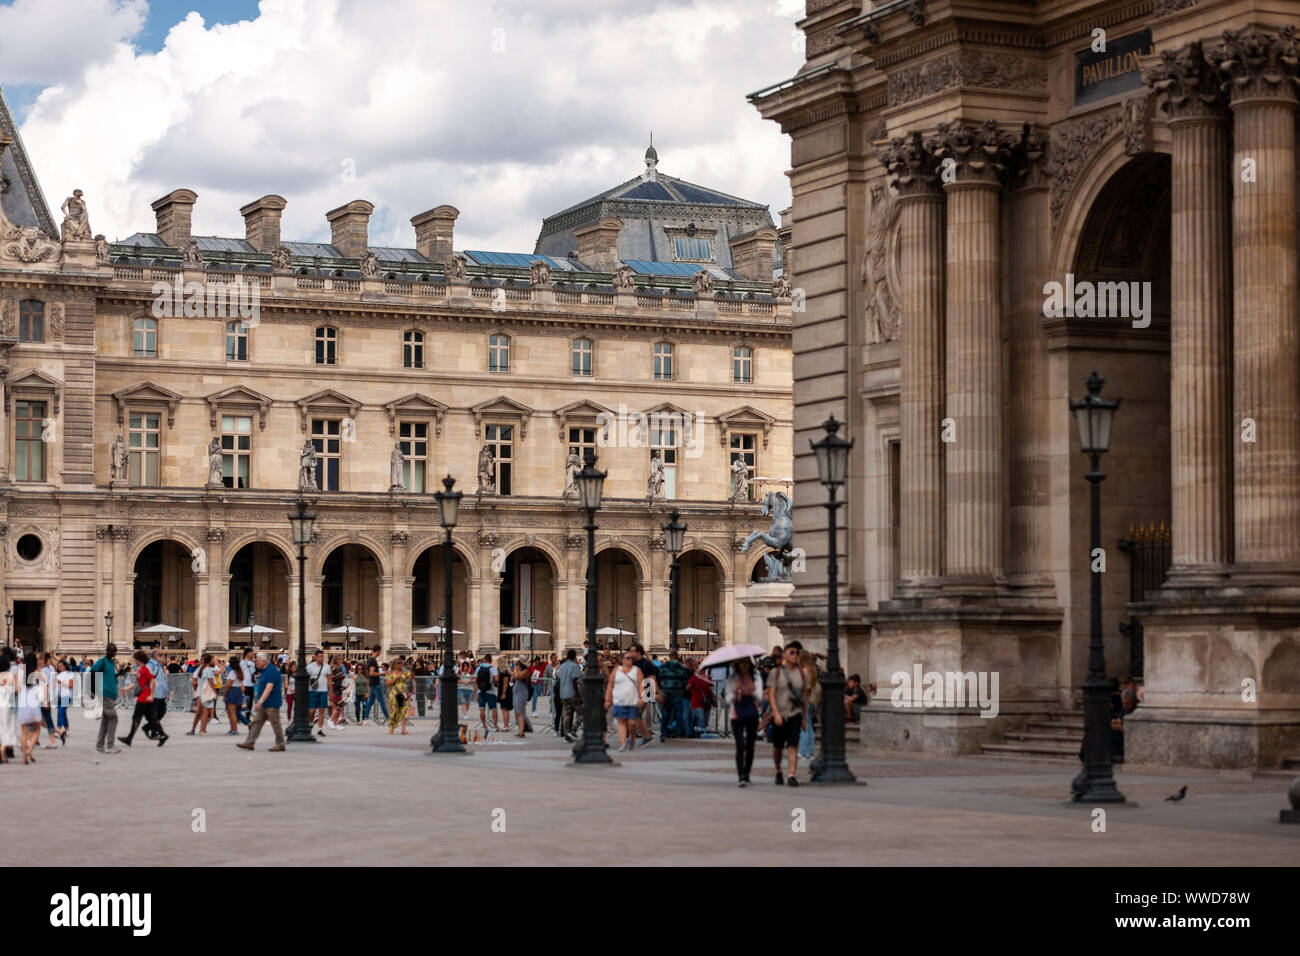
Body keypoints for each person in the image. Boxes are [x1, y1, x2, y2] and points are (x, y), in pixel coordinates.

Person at [765, 641, 806, 786]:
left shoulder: (802, 674)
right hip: (779, 714)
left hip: (795, 713)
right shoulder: (775, 673)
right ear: (784, 655)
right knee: (778, 746)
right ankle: (778, 770)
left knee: (793, 745)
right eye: (792, 652)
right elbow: (771, 694)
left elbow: (803, 697)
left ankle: (791, 774)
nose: (795, 655)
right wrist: (775, 714)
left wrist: (804, 718)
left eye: (797, 653)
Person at [725, 658, 764, 786]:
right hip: (736, 714)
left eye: (747, 662)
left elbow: (759, 698)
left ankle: (747, 773)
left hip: (751, 713)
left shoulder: (756, 678)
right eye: (742, 662)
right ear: (738, 664)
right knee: (740, 744)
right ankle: (740, 775)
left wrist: (753, 690)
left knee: (751, 745)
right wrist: (735, 692)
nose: (744, 665)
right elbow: (727, 699)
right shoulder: (732, 678)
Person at [236, 652, 286, 752]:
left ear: (263, 661)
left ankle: (280, 743)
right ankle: (250, 742)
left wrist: (260, 701)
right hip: (264, 702)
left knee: (275, 723)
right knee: (256, 722)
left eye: (257, 660)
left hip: (271, 702)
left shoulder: (271, 670)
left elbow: (269, 687)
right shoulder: (264, 670)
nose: (256, 662)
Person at [120, 650, 168, 747]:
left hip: (144, 698)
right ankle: (163, 735)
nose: (134, 661)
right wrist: (127, 688)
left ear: (138, 660)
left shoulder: (144, 669)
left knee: (136, 718)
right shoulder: (141, 669)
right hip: (145, 697)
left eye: (135, 659)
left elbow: (153, 681)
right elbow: (139, 683)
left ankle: (129, 739)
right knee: (151, 719)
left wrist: (151, 694)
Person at [606, 651, 645, 752]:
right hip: (619, 700)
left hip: (633, 701)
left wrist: (641, 697)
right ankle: (623, 743)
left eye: (631, 658)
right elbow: (610, 685)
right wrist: (608, 699)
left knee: (632, 723)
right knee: (621, 722)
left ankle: (631, 737)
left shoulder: (637, 670)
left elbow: (641, 684)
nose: (630, 660)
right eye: (627, 658)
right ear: (622, 660)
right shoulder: (616, 671)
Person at [88, 644, 121, 754]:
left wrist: (119, 674)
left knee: (106, 721)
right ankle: (109, 745)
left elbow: (109, 677)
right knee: (114, 718)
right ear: (107, 651)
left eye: (114, 651)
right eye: (111, 650)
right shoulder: (102, 662)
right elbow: (91, 673)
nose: (113, 652)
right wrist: (91, 690)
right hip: (104, 693)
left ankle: (99, 746)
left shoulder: (111, 663)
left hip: (110, 694)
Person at [627, 644, 658, 746]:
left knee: (634, 715)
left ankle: (644, 737)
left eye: (632, 651)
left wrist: (648, 696)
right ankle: (643, 737)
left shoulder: (645, 664)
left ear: (639, 652)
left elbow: (651, 678)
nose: (630, 653)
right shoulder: (632, 663)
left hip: (643, 693)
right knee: (635, 716)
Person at [655, 649, 690, 741]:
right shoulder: (681, 667)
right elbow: (685, 680)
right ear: (677, 656)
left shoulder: (663, 666)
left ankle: (664, 733)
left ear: (670, 656)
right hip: (677, 692)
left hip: (666, 692)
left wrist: (661, 689)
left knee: (665, 714)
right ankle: (678, 733)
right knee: (678, 714)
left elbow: (658, 678)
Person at [17, 657, 46, 764]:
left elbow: (17, 688)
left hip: (23, 704)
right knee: (36, 730)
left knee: (24, 733)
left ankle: (24, 756)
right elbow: (43, 688)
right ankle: (30, 750)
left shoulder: (21, 673)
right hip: (34, 704)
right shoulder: (38, 673)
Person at [555, 648, 582, 742]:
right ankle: (573, 730)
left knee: (566, 713)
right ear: (574, 657)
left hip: (563, 693)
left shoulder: (562, 666)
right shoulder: (574, 666)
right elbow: (575, 680)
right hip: (572, 693)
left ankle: (566, 733)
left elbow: (558, 677)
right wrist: (577, 693)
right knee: (581, 712)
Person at [188, 654, 218, 735]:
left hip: (200, 692)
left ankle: (193, 729)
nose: (215, 661)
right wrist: (215, 693)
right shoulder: (208, 670)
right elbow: (211, 682)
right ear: (210, 661)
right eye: (214, 660)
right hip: (205, 693)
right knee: (205, 712)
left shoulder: (200, 669)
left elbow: (195, 682)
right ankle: (203, 730)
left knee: (199, 713)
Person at [0, 652, 20, 763]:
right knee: (8, 728)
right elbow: (17, 689)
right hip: (7, 704)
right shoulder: (11, 675)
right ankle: (4, 749)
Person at [307, 650, 330, 737]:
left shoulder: (326, 667)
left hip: (323, 691)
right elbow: (306, 678)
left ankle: (320, 729)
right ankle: (310, 723)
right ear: (315, 657)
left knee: (321, 710)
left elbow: (329, 679)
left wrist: (330, 691)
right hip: (313, 690)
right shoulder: (310, 667)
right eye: (320, 656)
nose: (321, 658)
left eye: (322, 656)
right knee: (312, 710)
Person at [687, 664, 714, 738]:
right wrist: (689, 686)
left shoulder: (708, 677)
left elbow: (711, 687)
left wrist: (711, 689)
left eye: (703, 669)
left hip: (706, 702)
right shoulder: (694, 678)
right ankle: (699, 734)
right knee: (700, 718)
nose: (702, 670)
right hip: (696, 702)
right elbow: (688, 688)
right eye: (701, 669)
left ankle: (704, 733)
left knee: (705, 720)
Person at [387, 658, 411, 734]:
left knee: (404, 710)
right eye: (398, 663)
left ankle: (403, 729)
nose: (400, 664)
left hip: (404, 693)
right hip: (394, 694)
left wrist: (411, 669)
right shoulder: (390, 673)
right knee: (394, 711)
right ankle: (391, 727)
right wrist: (396, 678)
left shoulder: (405, 672)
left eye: (401, 663)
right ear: (394, 664)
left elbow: (411, 678)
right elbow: (387, 684)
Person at [475, 654, 499, 732]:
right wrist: (494, 682)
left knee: (482, 709)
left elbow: (475, 680)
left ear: (484, 660)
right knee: (493, 709)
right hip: (490, 691)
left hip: (480, 691)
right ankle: (495, 726)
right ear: (491, 660)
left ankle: (484, 725)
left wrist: (476, 691)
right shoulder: (493, 668)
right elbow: (496, 679)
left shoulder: (479, 668)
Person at [366, 646, 388, 722]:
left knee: (370, 701)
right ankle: (388, 717)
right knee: (382, 701)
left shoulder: (370, 660)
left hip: (372, 683)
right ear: (378, 651)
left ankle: (366, 718)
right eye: (380, 651)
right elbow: (371, 673)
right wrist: (382, 673)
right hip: (375, 683)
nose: (380, 653)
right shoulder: (372, 660)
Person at [511, 660, 531, 736]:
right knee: (517, 712)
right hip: (516, 692)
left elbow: (517, 677)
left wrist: (515, 669)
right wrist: (514, 672)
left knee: (520, 712)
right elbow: (513, 679)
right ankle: (521, 730)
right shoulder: (518, 671)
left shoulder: (526, 671)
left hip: (522, 692)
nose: (516, 665)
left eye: (517, 664)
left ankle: (522, 731)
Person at [239, 649, 257, 722]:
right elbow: (241, 673)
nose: (252, 654)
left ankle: (247, 716)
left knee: (250, 701)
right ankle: (241, 716)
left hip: (251, 684)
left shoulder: (252, 663)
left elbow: (252, 673)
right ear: (247, 654)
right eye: (251, 653)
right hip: (245, 684)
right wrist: (242, 684)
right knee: (245, 701)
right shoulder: (242, 662)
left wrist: (255, 680)